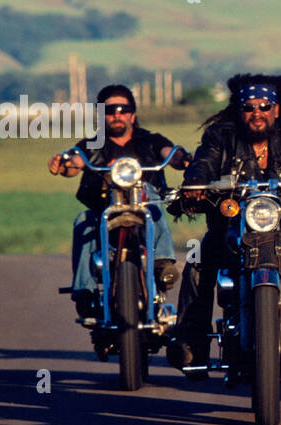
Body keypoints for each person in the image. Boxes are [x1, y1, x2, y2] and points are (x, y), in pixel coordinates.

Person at [167, 73, 281, 373]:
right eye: (249, 107)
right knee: (199, 262)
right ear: (239, 110)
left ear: (277, 109)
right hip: (234, 225)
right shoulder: (221, 134)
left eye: (264, 106)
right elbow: (205, 159)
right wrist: (197, 181)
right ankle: (191, 342)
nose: (257, 113)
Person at [48, 83, 186, 319]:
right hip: (106, 209)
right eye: (110, 111)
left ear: (133, 114)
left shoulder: (150, 140)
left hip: (144, 205)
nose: (117, 115)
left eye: (123, 109)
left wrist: (181, 158)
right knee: (83, 220)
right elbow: (74, 161)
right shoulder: (92, 145)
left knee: (152, 197)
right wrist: (63, 162)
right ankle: (85, 291)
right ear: (101, 116)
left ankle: (162, 261)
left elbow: (169, 153)